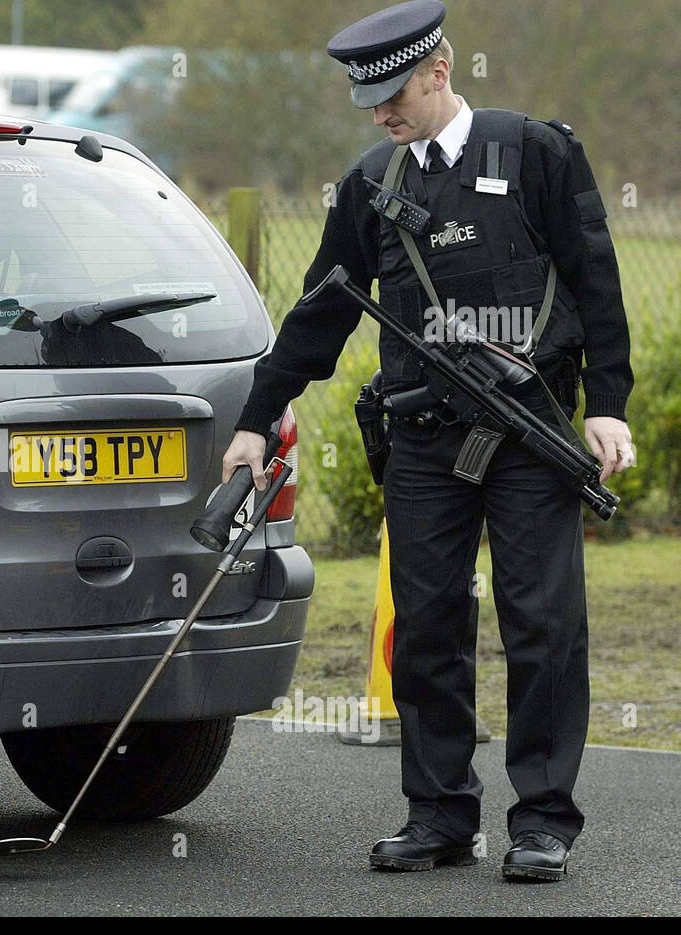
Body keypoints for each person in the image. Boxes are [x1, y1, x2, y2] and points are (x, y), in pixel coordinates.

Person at [222, 0, 635, 881]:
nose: (380, 112)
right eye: (367, 98)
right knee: (426, 631)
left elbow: (599, 280)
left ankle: (543, 823)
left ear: (439, 71)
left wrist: (608, 403)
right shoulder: (373, 186)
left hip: (530, 435)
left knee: (542, 626)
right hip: (422, 442)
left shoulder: (535, 153)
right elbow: (319, 314)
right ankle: (440, 815)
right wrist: (258, 420)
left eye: (393, 92)